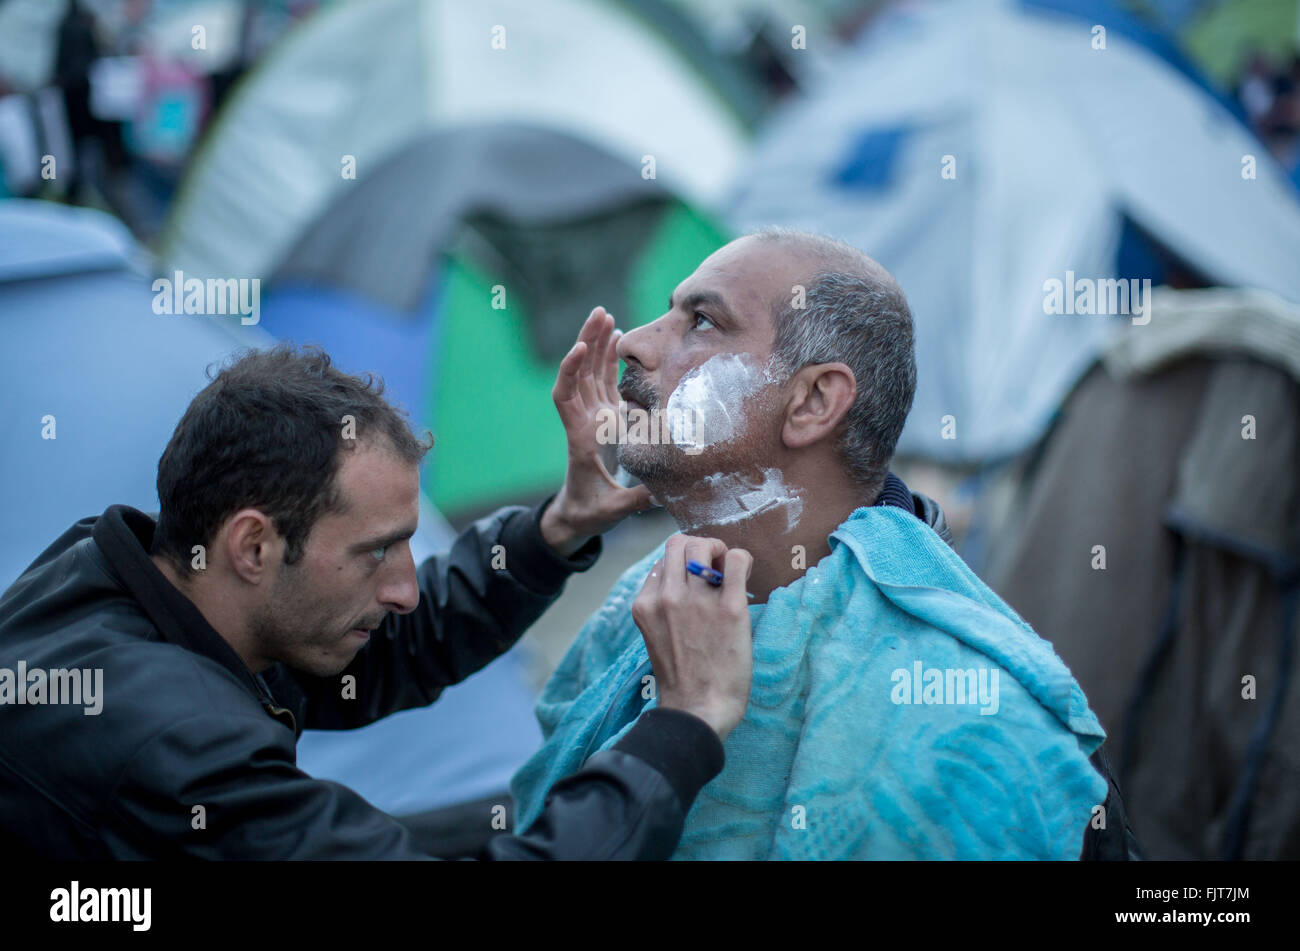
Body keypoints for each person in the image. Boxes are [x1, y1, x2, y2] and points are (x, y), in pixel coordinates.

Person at [0, 311, 754, 859]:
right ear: (254, 544)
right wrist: (685, 723)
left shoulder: (130, 578)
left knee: (489, 818)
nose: (404, 588)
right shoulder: (173, 740)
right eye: (377, 552)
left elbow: (393, 651)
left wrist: (558, 527)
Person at [511, 228, 1116, 859]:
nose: (633, 343)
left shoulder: (972, 717)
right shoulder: (646, 602)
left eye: (703, 322)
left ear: (812, 402)